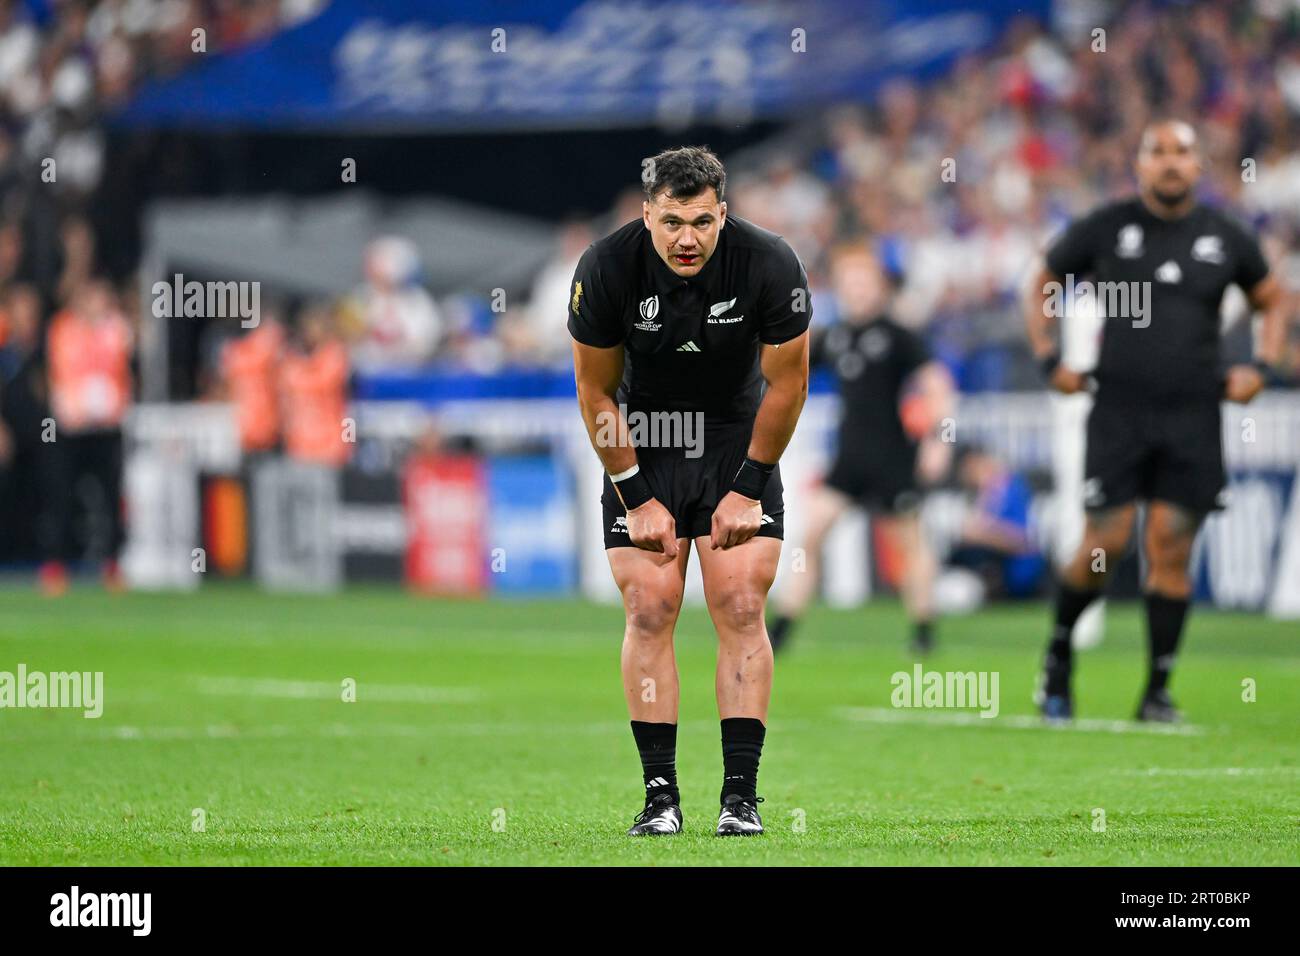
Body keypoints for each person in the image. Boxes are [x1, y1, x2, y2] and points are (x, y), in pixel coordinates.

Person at [569, 146, 811, 836]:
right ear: (647, 214)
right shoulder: (607, 267)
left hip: (736, 439)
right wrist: (634, 494)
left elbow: (789, 384)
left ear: (723, 213)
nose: (687, 239)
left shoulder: (770, 263)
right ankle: (660, 797)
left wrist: (751, 484)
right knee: (649, 607)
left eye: (702, 222)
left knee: (738, 603)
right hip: (644, 440)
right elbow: (596, 389)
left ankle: (741, 798)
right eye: (672, 221)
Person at [1024, 120, 1289, 722]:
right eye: (1158, 152)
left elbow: (1273, 298)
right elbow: (1040, 281)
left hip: (1194, 412)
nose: (1171, 162)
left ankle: (1157, 692)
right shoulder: (1108, 228)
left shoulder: (1225, 237)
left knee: (1171, 547)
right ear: (1139, 164)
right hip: (1118, 409)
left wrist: (1263, 367)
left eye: (1183, 152)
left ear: (1200, 165)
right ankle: (1059, 659)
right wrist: (1048, 359)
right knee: (1106, 543)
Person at [768, 239, 954, 655]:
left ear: (880, 287)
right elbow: (784, 370)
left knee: (909, 546)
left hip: (892, 458)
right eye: (848, 282)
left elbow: (937, 386)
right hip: (849, 459)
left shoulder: (900, 336)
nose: (856, 289)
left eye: (863, 281)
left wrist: (938, 440)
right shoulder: (834, 337)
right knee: (811, 536)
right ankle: (781, 629)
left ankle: (923, 631)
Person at [41, 279, 134, 593]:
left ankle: (113, 565)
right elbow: (65, 370)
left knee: (111, 497)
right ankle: (56, 565)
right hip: (72, 428)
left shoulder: (116, 328)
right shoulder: (63, 328)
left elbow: (120, 369)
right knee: (62, 495)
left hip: (106, 427)